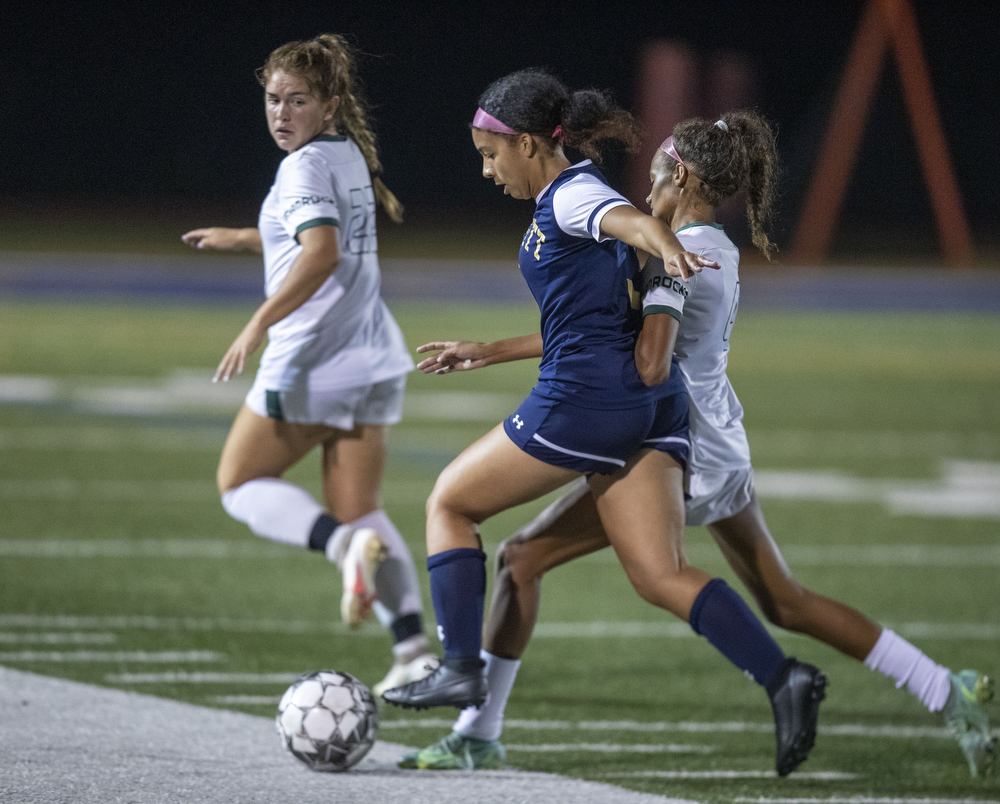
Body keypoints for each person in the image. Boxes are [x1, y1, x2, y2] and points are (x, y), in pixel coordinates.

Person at [401, 111, 997, 778]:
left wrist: (648, 284)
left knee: (531, 559)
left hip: (672, 444)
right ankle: (948, 688)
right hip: (720, 438)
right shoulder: (703, 241)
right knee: (784, 600)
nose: (643, 182)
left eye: (655, 168)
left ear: (679, 174)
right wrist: (492, 350)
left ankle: (480, 730)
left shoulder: (681, 256)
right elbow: (611, 341)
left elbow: (648, 361)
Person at [380, 71, 827, 777]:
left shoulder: (577, 193)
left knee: (449, 503)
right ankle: (784, 678)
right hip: (645, 408)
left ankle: (461, 669)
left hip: (586, 403)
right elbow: (590, 320)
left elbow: (632, 223)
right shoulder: (575, 190)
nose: (486, 168)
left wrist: (665, 243)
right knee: (631, 571)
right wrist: (490, 349)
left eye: (492, 154)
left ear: (529, 143)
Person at [180, 34, 436, 696]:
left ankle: (339, 548)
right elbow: (321, 236)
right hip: (372, 358)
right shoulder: (339, 152)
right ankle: (414, 649)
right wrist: (245, 237)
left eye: (297, 100)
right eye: (272, 98)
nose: (281, 112)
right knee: (364, 510)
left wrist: (258, 322)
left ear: (330, 104)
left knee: (239, 484)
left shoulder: (299, 168)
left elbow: (321, 253)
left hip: (313, 361)